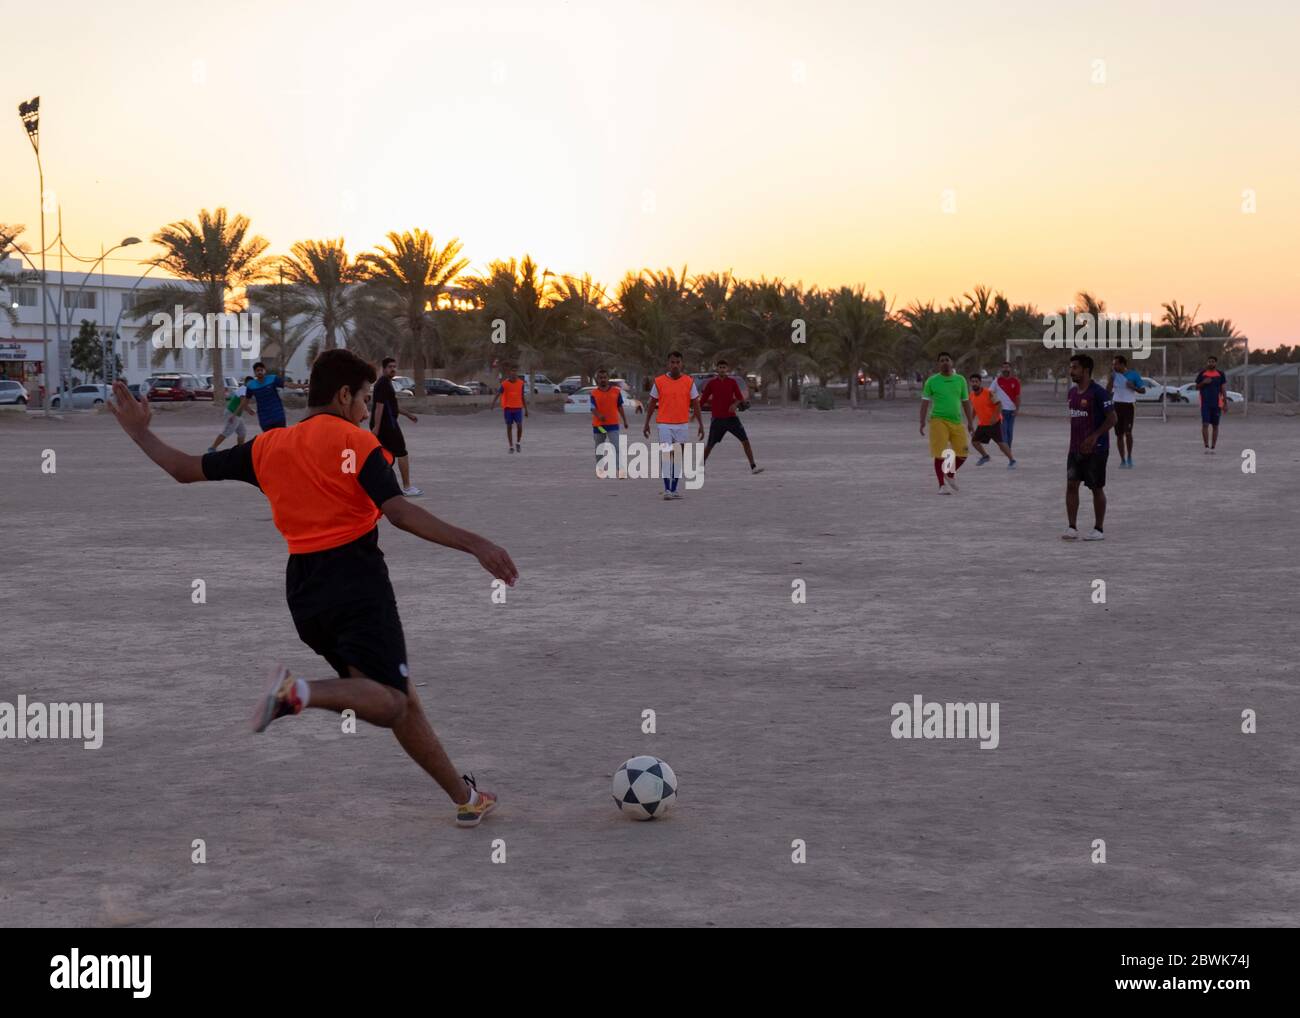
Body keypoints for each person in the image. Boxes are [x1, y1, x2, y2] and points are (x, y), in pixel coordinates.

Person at [106, 350, 518, 828]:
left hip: (304, 590)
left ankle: (465, 797)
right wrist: (476, 543)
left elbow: (183, 469)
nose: (365, 410)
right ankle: (294, 691)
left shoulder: (267, 448)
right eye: (363, 398)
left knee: (395, 692)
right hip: (357, 582)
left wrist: (139, 431)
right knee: (391, 703)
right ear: (344, 396)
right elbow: (400, 512)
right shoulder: (357, 444)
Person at [1064, 353, 1117, 541]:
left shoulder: (1098, 393)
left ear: (1086, 370)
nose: (1071, 371)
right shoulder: (1071, 393)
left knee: (1096, 487)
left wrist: (1095, 436)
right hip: (1075, 449)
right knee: (1071, 485)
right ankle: (1072, 527)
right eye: (1071, 368)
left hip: (1097, 449)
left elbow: (1112, 418)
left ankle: (1098, 529)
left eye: (1075, 368)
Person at [643, 351, 704, 500]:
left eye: (678, 362)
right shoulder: (659, 382)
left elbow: (696, 403)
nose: (675, 365)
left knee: (677, 457)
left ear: (682, 364)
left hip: (682, 425)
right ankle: (667, 489)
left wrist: (701, 424)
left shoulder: (689, 382)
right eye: (672, 362)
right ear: (668, 364)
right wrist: (646, 423)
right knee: (666, 456)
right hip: (664, 424)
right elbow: (652, 404)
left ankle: (674, 489)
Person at [919, 352, 974, 494]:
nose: (944, 362)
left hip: (957, 421)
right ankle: (941, 486)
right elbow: (925, 402)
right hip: (938, 420)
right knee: (940, 454)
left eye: (947, 360)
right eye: (941, 360)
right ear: (938, 364)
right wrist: (922, 421)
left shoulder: (960, 380)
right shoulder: (932, 381)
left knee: (963, 453)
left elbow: (966, 402)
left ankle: (949, 473)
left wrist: (970, 422)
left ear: (952, 362)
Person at [700, 357, 763, 474]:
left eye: (724, 368)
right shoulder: (712, 383)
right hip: (717, 419)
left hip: (732, 418)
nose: (722, 369)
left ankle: (753, 466)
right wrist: (695, 412)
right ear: (717, 369)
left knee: (745, 441)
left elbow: (740, 398)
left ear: (727, 369)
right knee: (710, 445)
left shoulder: (732, 382)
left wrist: (735, 404)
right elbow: (703, 399)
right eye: (720, 367)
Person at [371, 357, 422, 496]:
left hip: (387, 424)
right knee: (402, 453)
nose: (393, 369)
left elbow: (392, 405)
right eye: (390, 367)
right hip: (388, 425)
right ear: (384, 368)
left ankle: (377, 485)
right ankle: (407, 487)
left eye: (394, 366)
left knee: (385, 456)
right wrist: (376, 427)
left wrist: (408, 415)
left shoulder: (387, 383)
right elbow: (379, 407)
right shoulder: (383, 384)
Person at [968, 373, 1015, 468]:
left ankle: (1012, 460)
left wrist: (994, 417)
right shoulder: (971, 395)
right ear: (970, 383)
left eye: (976, 381)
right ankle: (985, 456)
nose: (974, 383)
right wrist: (970, 421)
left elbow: (999, 404)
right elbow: (974, 409)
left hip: (994, 423)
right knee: (975, 442)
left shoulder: (989, 393)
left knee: (1001, 443)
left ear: (980, 382)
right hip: (982, 424)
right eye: (972, 382)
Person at [1106, 354, 1146, 468]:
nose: (1114, 366)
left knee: (1128, 433)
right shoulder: (1113, 375)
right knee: (1119, 435)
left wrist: (1133, 387)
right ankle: (1122, 460)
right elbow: (1107, 392)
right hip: (1116, 406)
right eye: (1113, 364)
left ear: (1123, 364)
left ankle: (1129, 457)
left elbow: (1143, 390)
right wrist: (1111, 380)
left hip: (1129, 406)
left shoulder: (1133, 375)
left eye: (1116, 364)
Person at [590, 368, 629, 477]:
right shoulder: (594, 393)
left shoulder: (616, 391)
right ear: (597, 379)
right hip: (599, 426)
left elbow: (620, 406)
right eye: (600, 378)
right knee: (599, 448)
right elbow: (592, 408)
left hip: (613, 425)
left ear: (608, 379)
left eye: (605, 377)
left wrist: (625, 420)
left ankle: (620, 471)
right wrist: (599, 416)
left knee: (616, 447)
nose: (603, 380)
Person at [208, 375, 253, 452]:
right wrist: (249, 410)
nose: (251, 384)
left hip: (236, 415)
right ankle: (212, 448)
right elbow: (243, 403)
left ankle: (240, 450)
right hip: (232, 413)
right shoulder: (244, 389)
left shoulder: (246, 389)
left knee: (242, 432)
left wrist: (249, 410)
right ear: (246, 382)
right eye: (250, 382)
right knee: (227, 431)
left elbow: (243, 404)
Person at [489, 365, 528, 453]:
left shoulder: (521, 383)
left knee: (519, 426)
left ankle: (518, 442)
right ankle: (511, 447)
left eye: (515, 371)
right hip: (508, 408)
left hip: (518, 408)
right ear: (509, 373)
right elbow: (498, 393)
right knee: (509, 427)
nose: (514, 373)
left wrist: (526, 409)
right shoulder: (505, 384)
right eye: (512, 371)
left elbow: (522, 396)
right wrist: (493, 404)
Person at [1194, 355, 1228, 454]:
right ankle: (1206, 447)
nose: (1211, 363)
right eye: (1209, 361)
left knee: (1215, 425)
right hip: (1205, 404)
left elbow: (1223, 389)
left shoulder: (1220, 374)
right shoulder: (1202, 374)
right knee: (1205, 424)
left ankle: (1213, 447)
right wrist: (1203, 382)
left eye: (1213, 361)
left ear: (1216, 363)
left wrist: (1225, 403)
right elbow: (1197, 387)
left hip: (1216, 404)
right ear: (1207, 363)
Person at [245, 361, 292, 432]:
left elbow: (288, 384)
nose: (260, 372)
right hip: (264, 419)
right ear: (254, 372)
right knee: (268, 440)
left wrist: (303, 386)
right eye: (257, 370)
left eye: (261, 370)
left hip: (278, 415)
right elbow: (245, 401)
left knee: (281, 437)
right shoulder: (251, 385)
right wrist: (248, 409)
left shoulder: (272, 379)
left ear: (265, 371)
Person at [991, 361, 1021, 447]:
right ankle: (1006, 449)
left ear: (1010, 369)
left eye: (1007, 367)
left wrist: (1017, 409)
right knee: (1003, 430)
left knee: (1009, 431)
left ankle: (1009, 447)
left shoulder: (1015, 381)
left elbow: (1018, 396)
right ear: (1001, 369)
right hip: (1001, 411)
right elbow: (990, 393)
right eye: (1004, 367)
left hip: (1012, 411)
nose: (1005, 369)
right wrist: (995, 405)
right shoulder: (997, 381)